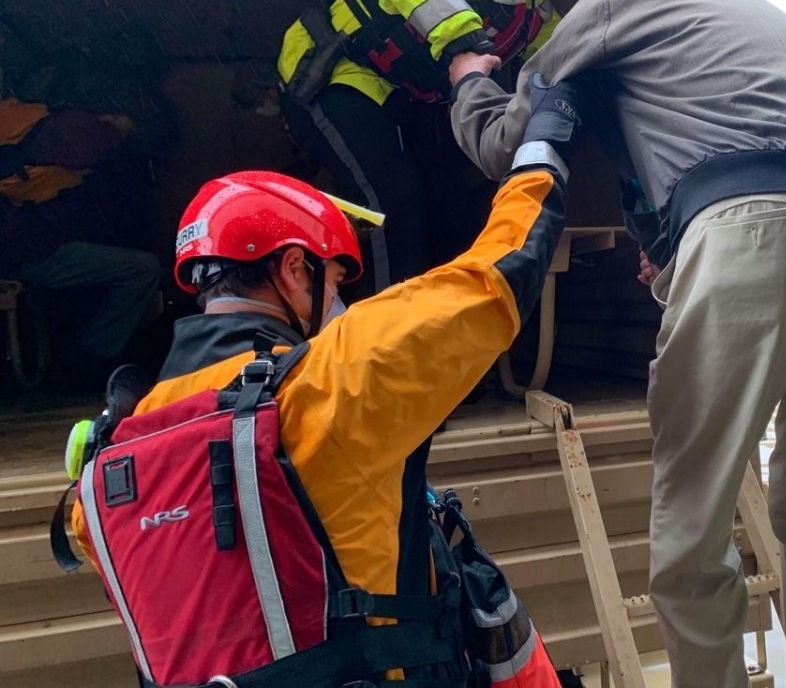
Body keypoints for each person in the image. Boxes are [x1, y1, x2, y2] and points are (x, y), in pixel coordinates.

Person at [449, 0, 786, 687]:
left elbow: (505, 144)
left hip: (760, 226)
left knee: (692, 539)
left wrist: (469, 82)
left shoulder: (606, 8)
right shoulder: (742, 8)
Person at [63, 86, 590, 688]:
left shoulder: (109, 464)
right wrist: (542, 148)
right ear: (292, 269)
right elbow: (496, 274)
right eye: (334, 280)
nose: (340, 302)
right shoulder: (332, 377)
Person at [276, 0, 572, 295]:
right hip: (335, 70)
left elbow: (560, 43)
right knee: (390, 200)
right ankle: (381, 343)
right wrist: (461, 41)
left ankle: (445, 330)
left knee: (452, 207)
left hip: (403, 97)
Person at [0, 97, 161, 380]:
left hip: (29, 246)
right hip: (29, 252)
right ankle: (88, 357)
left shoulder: (21, 116)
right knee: (142, 267)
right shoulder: (74, 128)